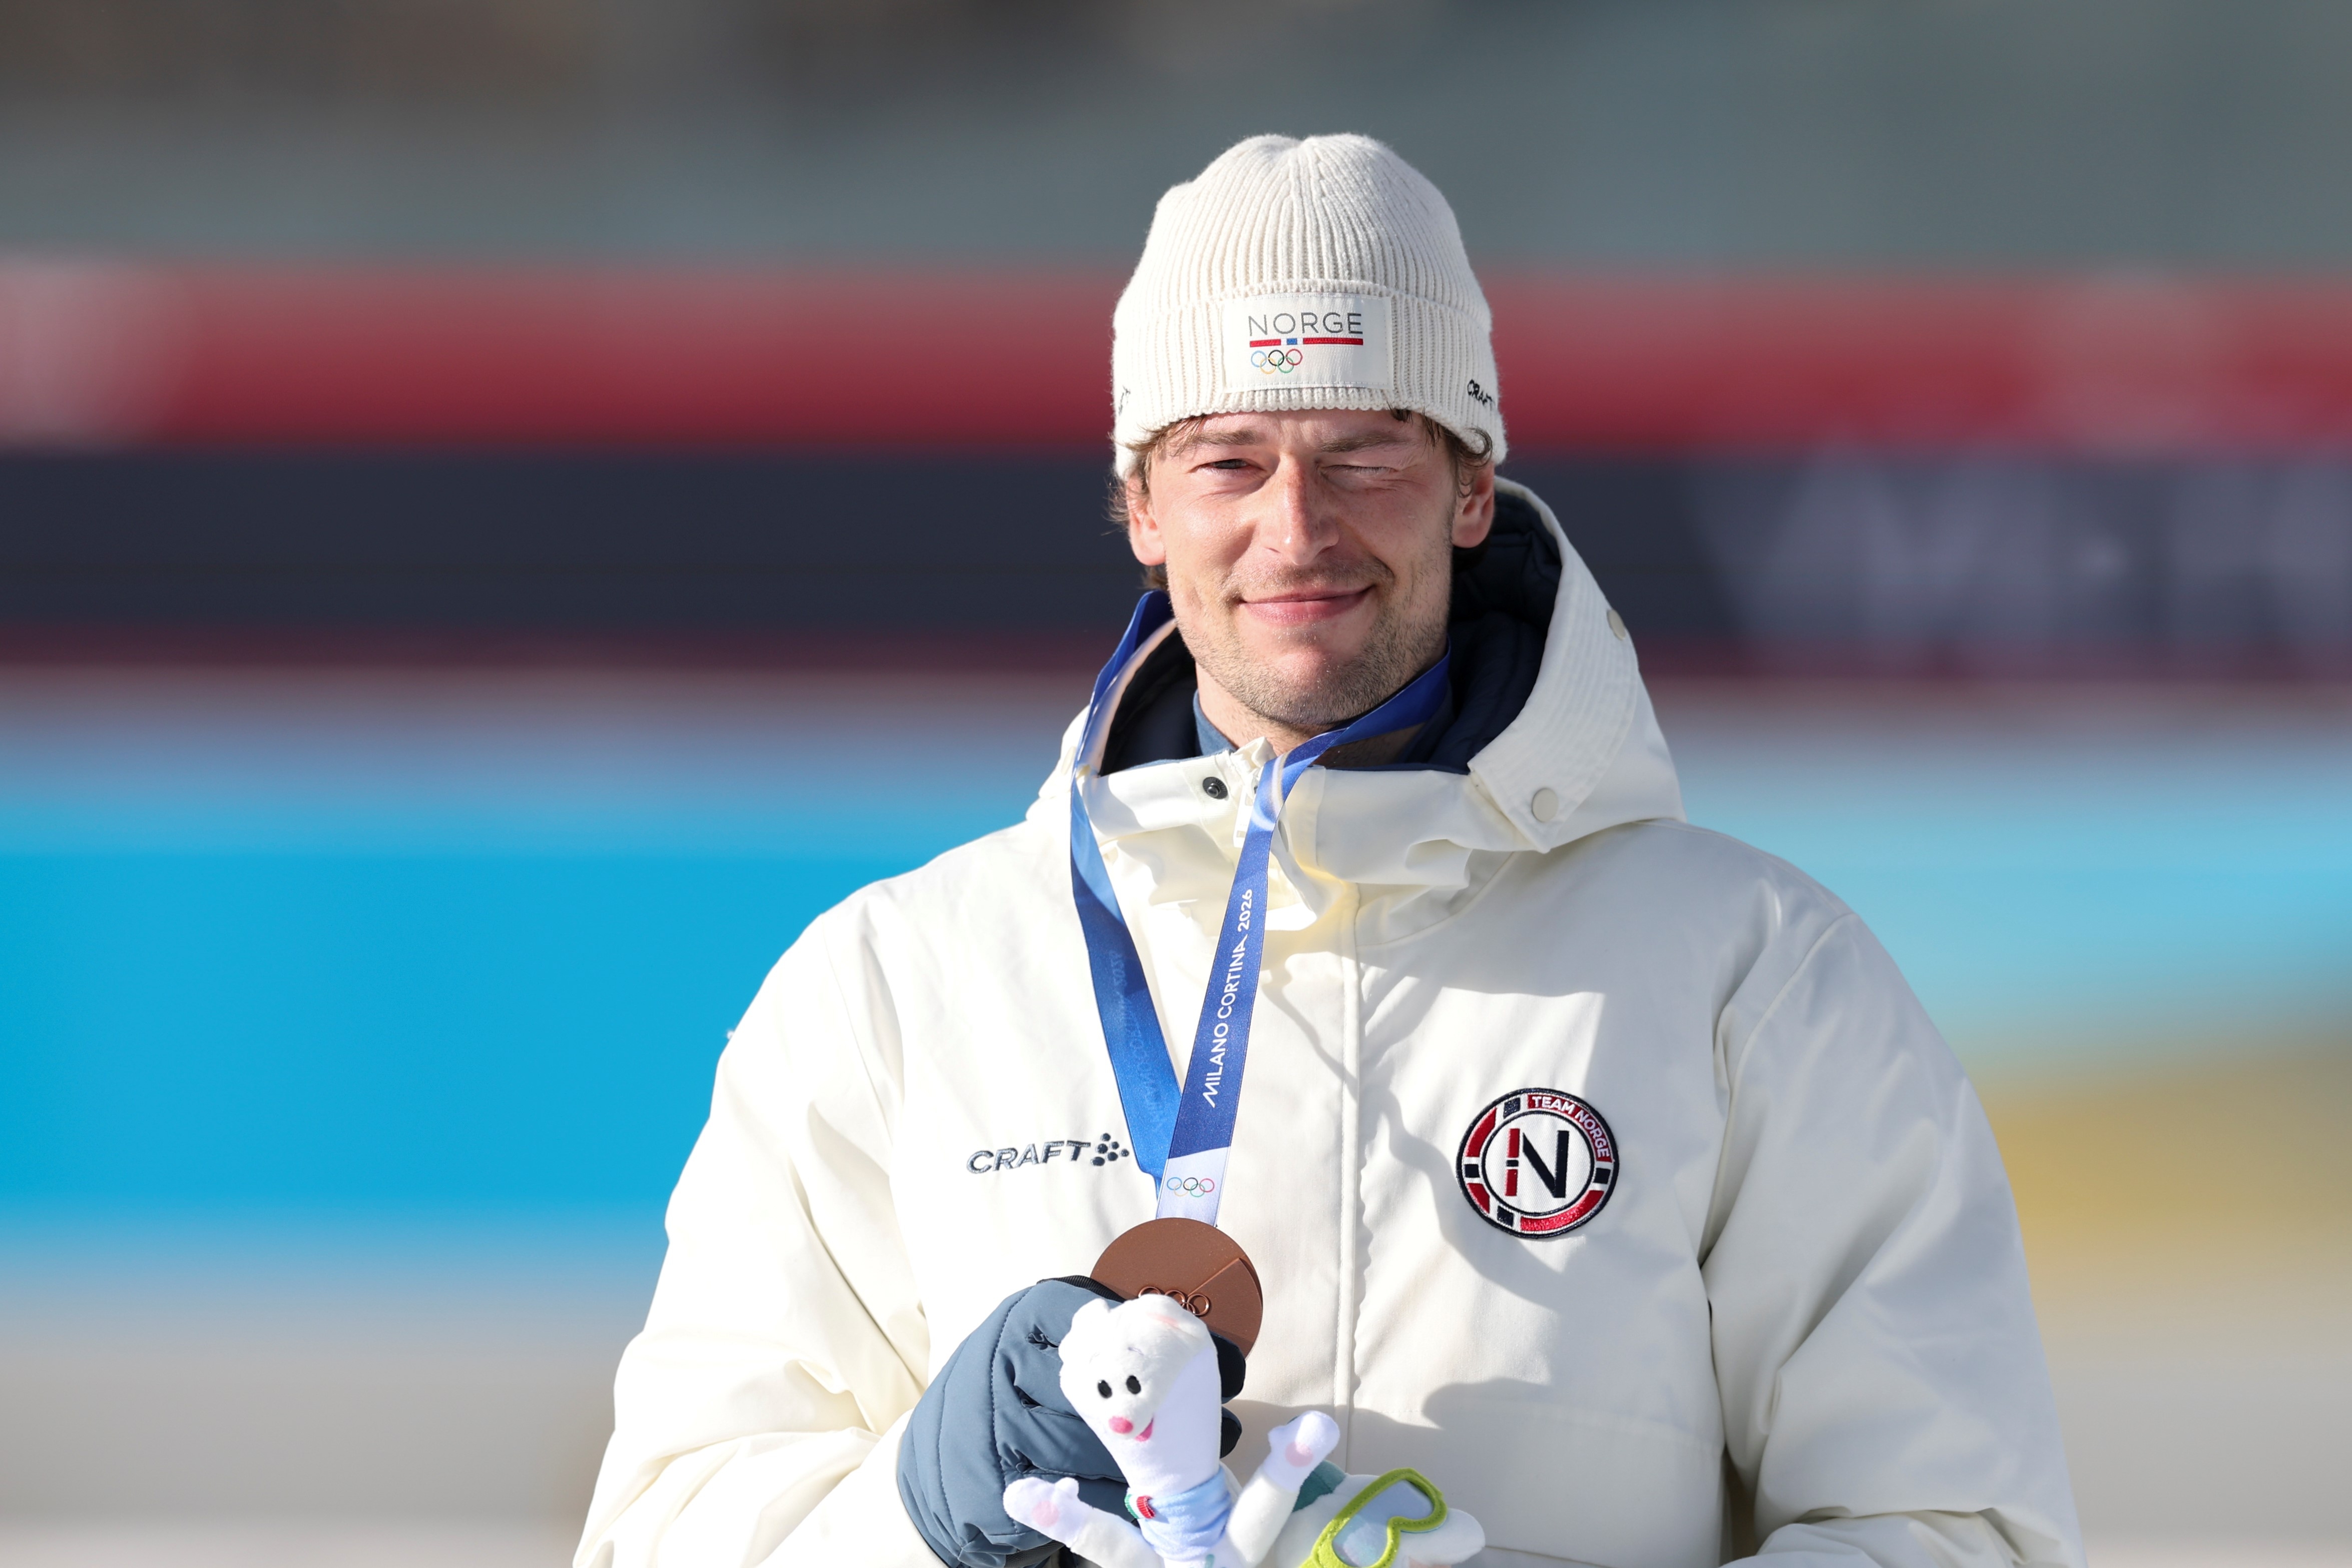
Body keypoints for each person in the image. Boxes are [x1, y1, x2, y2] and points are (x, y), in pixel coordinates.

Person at [576, 135, 2083, 1568]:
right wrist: (933, 1500)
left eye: (1364, 456)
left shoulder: (1749, 977)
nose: (1297, 529)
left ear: (1471, 488)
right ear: (1141, 507)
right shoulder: (900, 985)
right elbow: (670, 1535)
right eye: (1228, 461)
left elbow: (1962, 1530)